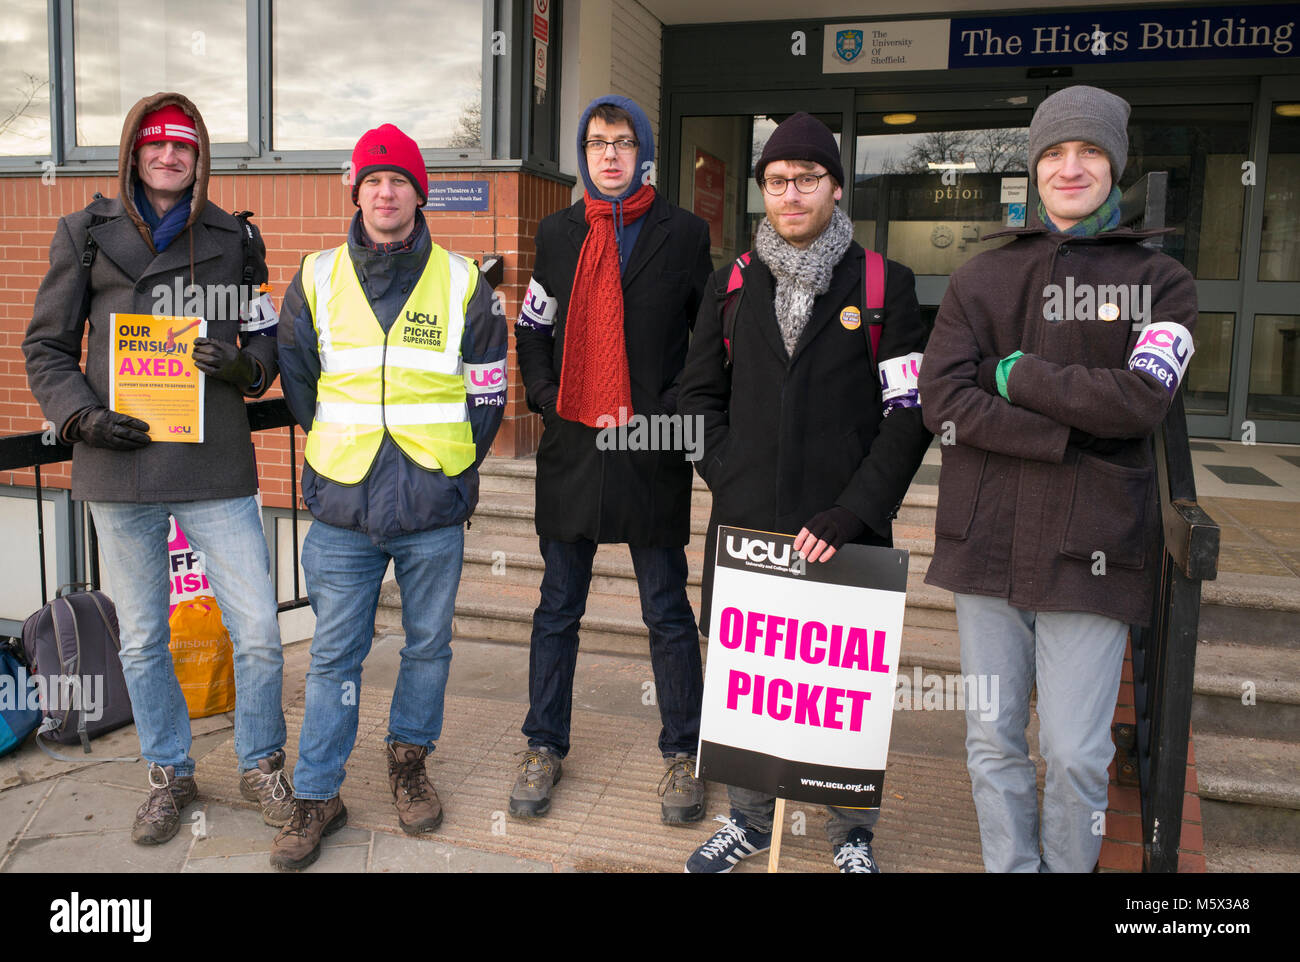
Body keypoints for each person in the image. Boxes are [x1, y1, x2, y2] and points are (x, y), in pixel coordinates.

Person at [918, 86, 1198, 872]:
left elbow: (1143, 399)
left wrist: (1016, 374)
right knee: (992, 738)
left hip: (1096, 544)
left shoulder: (1162, 282)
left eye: (1090, 153)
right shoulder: (982, 276)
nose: (1070, 168)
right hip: (988, 539)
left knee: (1076, 751)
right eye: (1054, 154)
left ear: (1116, 165)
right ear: (1034, 167)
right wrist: (1065, 431)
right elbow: (943, 398)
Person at [23, 92, 290, 844]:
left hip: (214, 467)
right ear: (133, 152)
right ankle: (169, 772)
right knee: (141, 641)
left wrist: (241, 365)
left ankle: (261, 762)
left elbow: (267, 349)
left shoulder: (236, 238)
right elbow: (45, 348)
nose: (169, 156)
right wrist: (80, 415)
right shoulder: (82, 232)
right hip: (120, 466)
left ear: (200, 154)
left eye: (183, 145)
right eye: (155, 144)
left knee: (260, 633)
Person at [677, 112, 933, 872]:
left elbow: (909, 415)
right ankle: (750, 823)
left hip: (846, 538)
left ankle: (851, 834)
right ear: (763, 192)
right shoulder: (732, 284)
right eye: (777, 181)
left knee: (838, 692)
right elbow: (695, 401)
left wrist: (853, 512)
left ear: (836, 187)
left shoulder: (886, 285)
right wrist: (728, 473)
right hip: (748, 529)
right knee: (747, 689)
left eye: (807, 179)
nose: (791, 194)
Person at [273, 123, 505, 871]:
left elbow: (488, 392)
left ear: (418, 193)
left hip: (431, 505)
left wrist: (454, 470)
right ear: (356, 189)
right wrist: (340, 449)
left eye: (399, 179)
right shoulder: (314, 276)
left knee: (428, 646)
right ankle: (316, 792)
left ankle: (408, 761)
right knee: (334, 654)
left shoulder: (465, 280)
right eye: (373, 179)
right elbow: (302, 384)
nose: (385, 191)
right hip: (343, 505)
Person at [511, 96, 713, 824]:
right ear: (582, 153)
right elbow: (533, 326)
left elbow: (706, 342)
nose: (609, 155)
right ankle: (543, 743)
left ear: (643, 151)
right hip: (573, 445)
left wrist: (670, 412)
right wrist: (542, 394)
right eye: (596, 143)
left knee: (665, 608)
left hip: (649, 448)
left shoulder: (685, 235)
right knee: (558, 605)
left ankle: (683, 754)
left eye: (623, 142)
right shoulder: (559, 233)